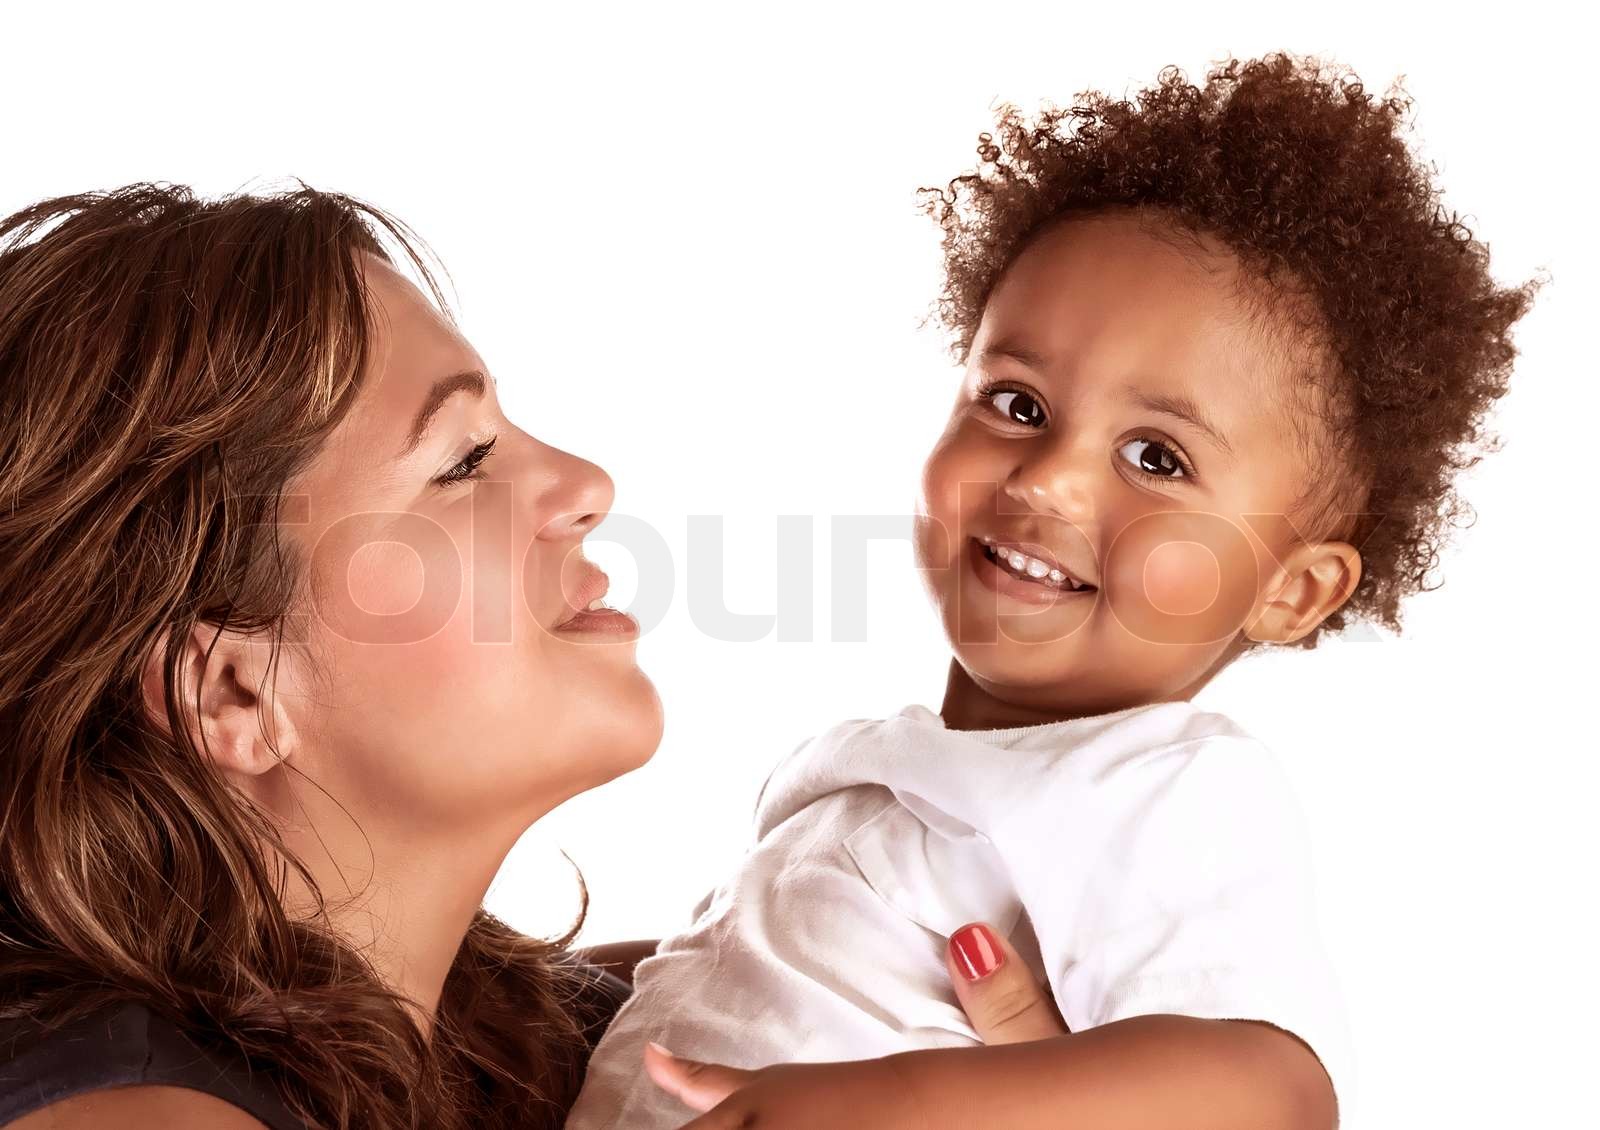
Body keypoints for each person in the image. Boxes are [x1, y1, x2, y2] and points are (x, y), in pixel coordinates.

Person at [566, 51, 1544, 1130]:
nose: (1047, 478)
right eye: (1017, 402)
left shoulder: (1168, 787)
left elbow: (1271, 1091)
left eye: (1157, 457)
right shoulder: (888, 768)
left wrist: (901, 1099)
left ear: (1292, 588)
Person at [0, 183, 1059, 1129]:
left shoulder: (596, 1041)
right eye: (461, 461)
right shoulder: (125, 1109)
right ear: (233, 688)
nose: (585, 482)